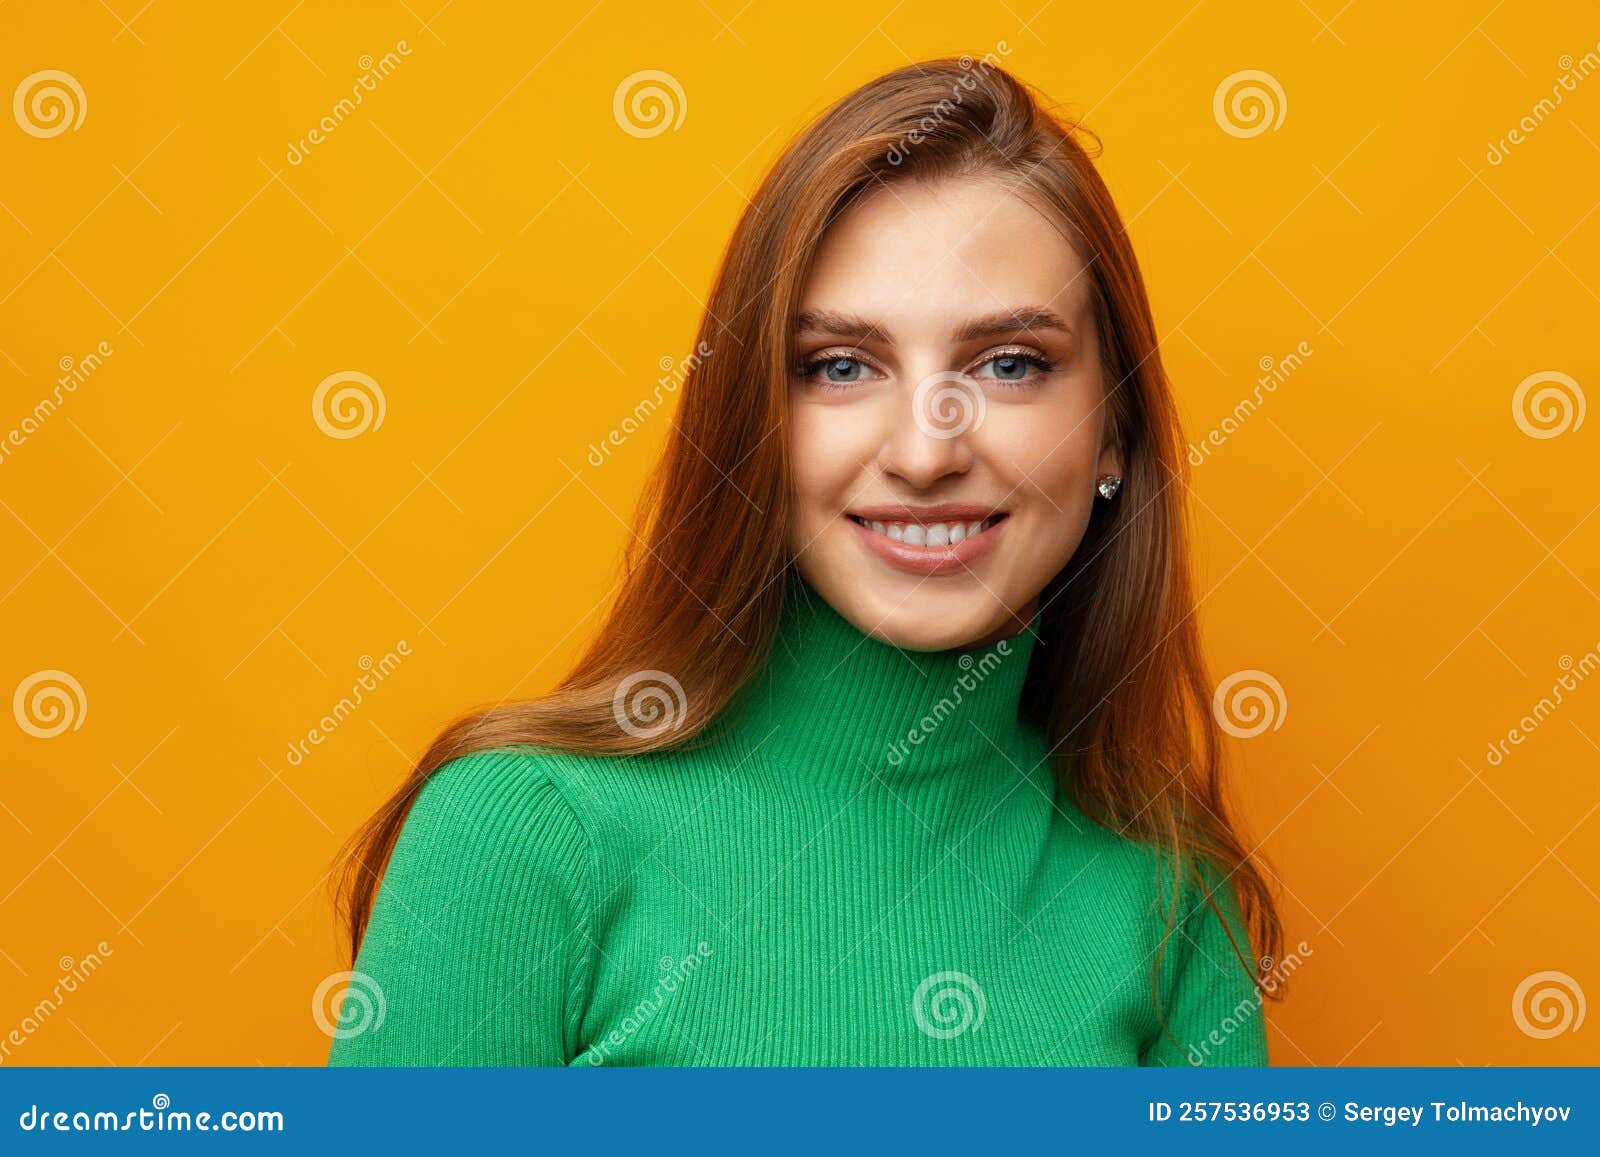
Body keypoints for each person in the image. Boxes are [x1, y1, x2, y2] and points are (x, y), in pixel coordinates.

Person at [327, 56, 1282, 1067]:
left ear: (1113, 433)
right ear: (753, 423)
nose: (925, 452)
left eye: (1010, 363)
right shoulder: (520, 836)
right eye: (840, 366)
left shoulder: (1170, 897)